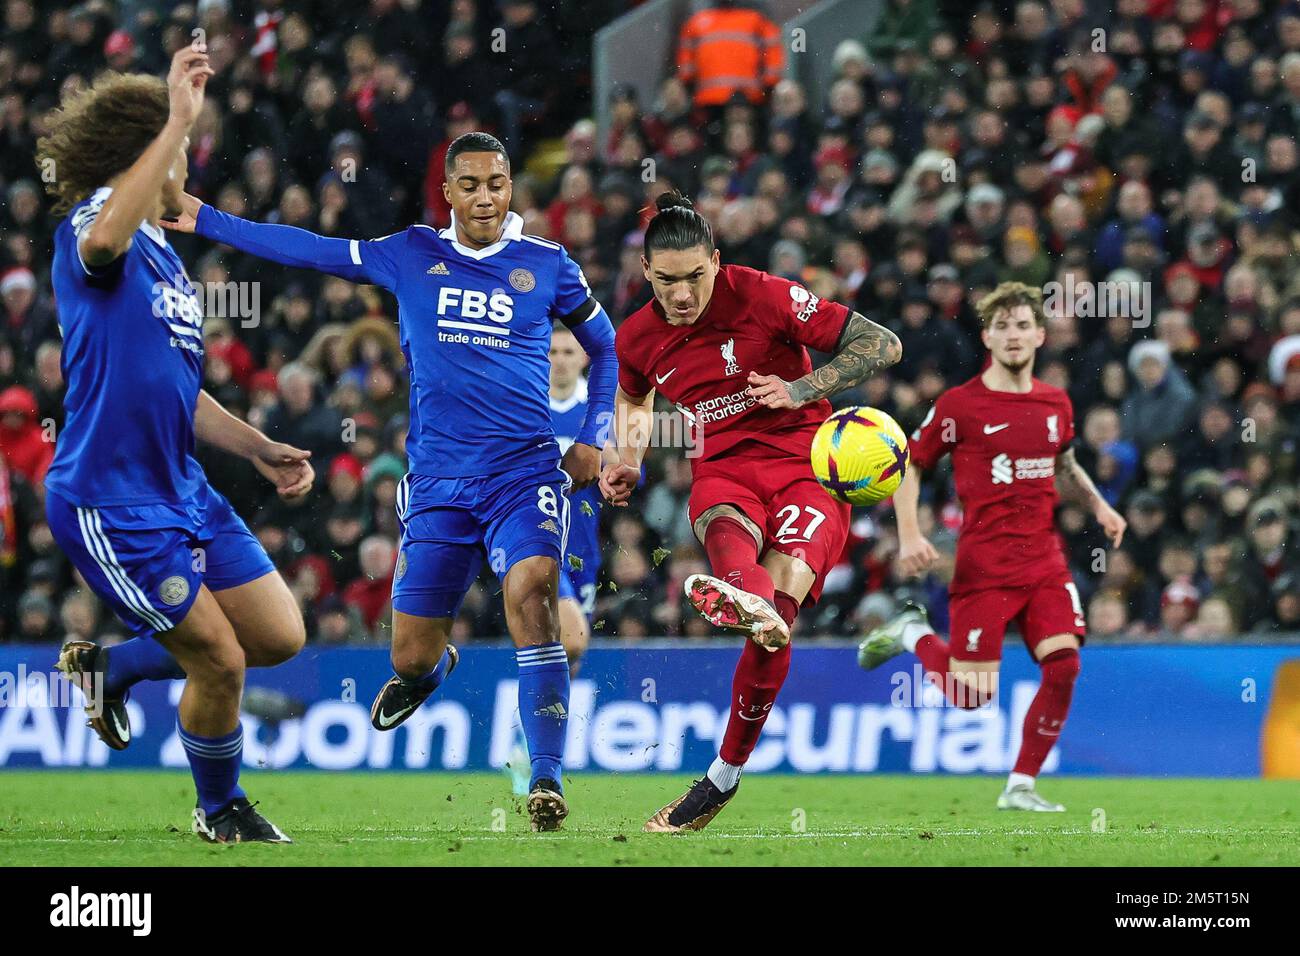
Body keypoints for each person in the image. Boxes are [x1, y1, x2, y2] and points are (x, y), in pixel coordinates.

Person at [165, 131, 617, 832]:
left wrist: (594, 435)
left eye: (496, 183)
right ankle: (429, 673)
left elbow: (607, 346)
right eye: (469, 185)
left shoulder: (548, 266)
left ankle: (547, 779)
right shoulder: (411, 252)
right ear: (449, 193)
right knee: (409, 655)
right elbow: (310, 248)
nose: (485, 197)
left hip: (523, 473)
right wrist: (206, 219)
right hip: (437, 483)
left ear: (509, 188)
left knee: (532, 591)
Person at [36, 45, 314, 843]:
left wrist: (257, 445)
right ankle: (221, 808)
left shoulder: (162, 257)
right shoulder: (95, 224)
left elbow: (177, 389)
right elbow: (99, 245)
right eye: (179, 148)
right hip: (108, 498)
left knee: (277, 637)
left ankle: (113, 667)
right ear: (144, 155)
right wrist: (174, 118)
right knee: (220, 661)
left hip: (182, 487)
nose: (187, 160)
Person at [600, 192, 901, 831]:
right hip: (724, 472)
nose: (683, 294)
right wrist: (626, 457)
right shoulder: (635, 336)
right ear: (646, 274)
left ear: (716, 260)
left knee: (777, 619)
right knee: (731, 540)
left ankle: (722, 776)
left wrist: (802, 387)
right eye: (668, 280)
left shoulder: (764, 295)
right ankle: (748, 598)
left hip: (809, 469)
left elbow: (883, 344)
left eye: (695, 277)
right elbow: (632, 402)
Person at [858, 282, 1126, 811]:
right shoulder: (961, 405)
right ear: (986, 336)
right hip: (983, 568)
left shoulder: (1056, 402)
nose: (1013, 335)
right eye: (1001, 326)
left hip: (1045, 562)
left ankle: (1020, 785)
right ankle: (912, 631)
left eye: (1022, 324)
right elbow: (911, 463)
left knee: (1065, 665)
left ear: (1040, 335)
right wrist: (909, 534)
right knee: (971, 695)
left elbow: (1065, 464)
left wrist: (1098, 506)